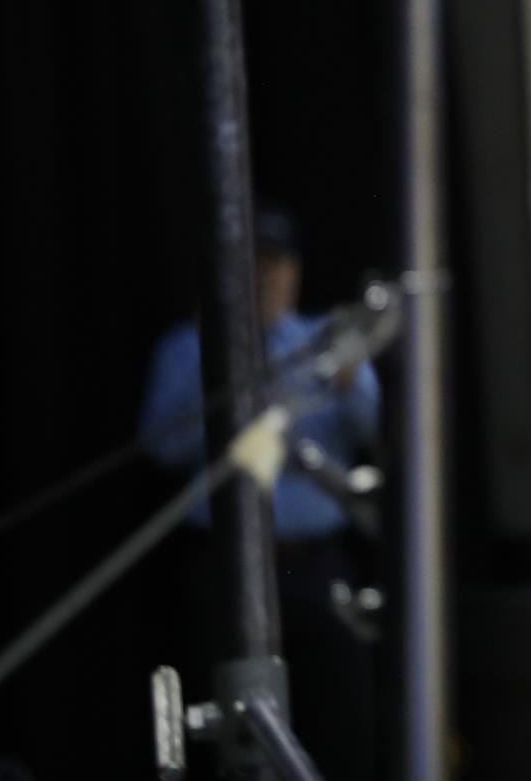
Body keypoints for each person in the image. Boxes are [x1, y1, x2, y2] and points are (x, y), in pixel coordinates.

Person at [138, 206, 381, 781]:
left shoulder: (325, 342)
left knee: (342, 716)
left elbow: (375, 432)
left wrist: (350, 381)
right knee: (230, 722)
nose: (268, 277)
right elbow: (159, 447)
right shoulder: (187, 346)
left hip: (313, 566)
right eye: (256, 265)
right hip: (222, 566)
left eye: (279, 263)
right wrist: (233, 385)